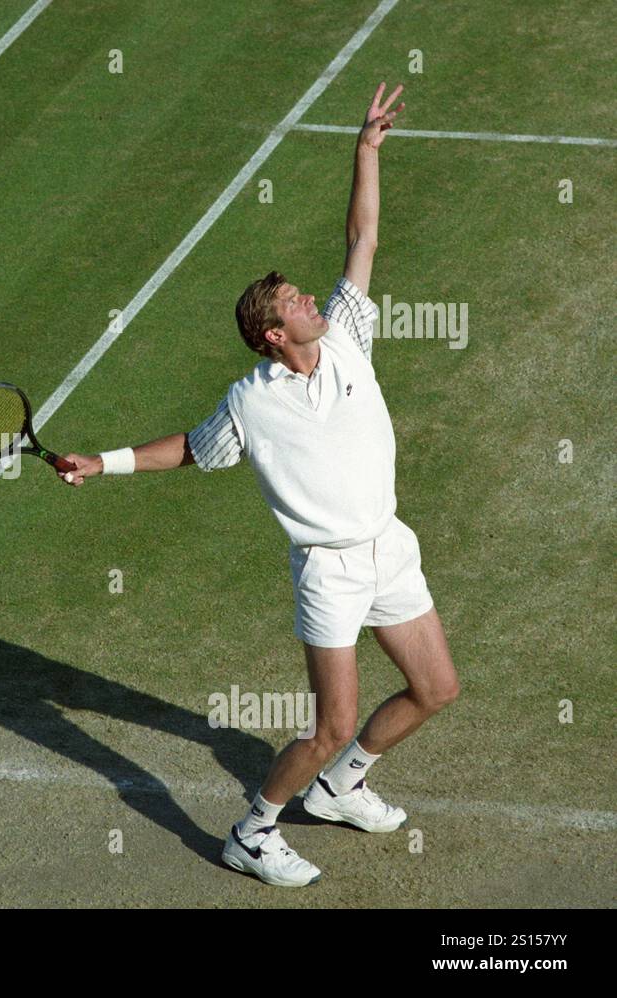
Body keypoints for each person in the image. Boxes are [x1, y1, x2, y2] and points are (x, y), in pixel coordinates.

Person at [58, 83, 459, 887]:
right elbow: (191, 451)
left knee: (435, 687)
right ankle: (254, 830)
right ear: (274, 335)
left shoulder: (347, 336)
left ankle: (341, 787)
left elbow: (362, 238)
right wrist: (103, 462)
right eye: (294, 303)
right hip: (330, 572)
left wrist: (367, 151)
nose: (313, 298)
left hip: (389, 546)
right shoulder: (250, 402)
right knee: (330, 722)